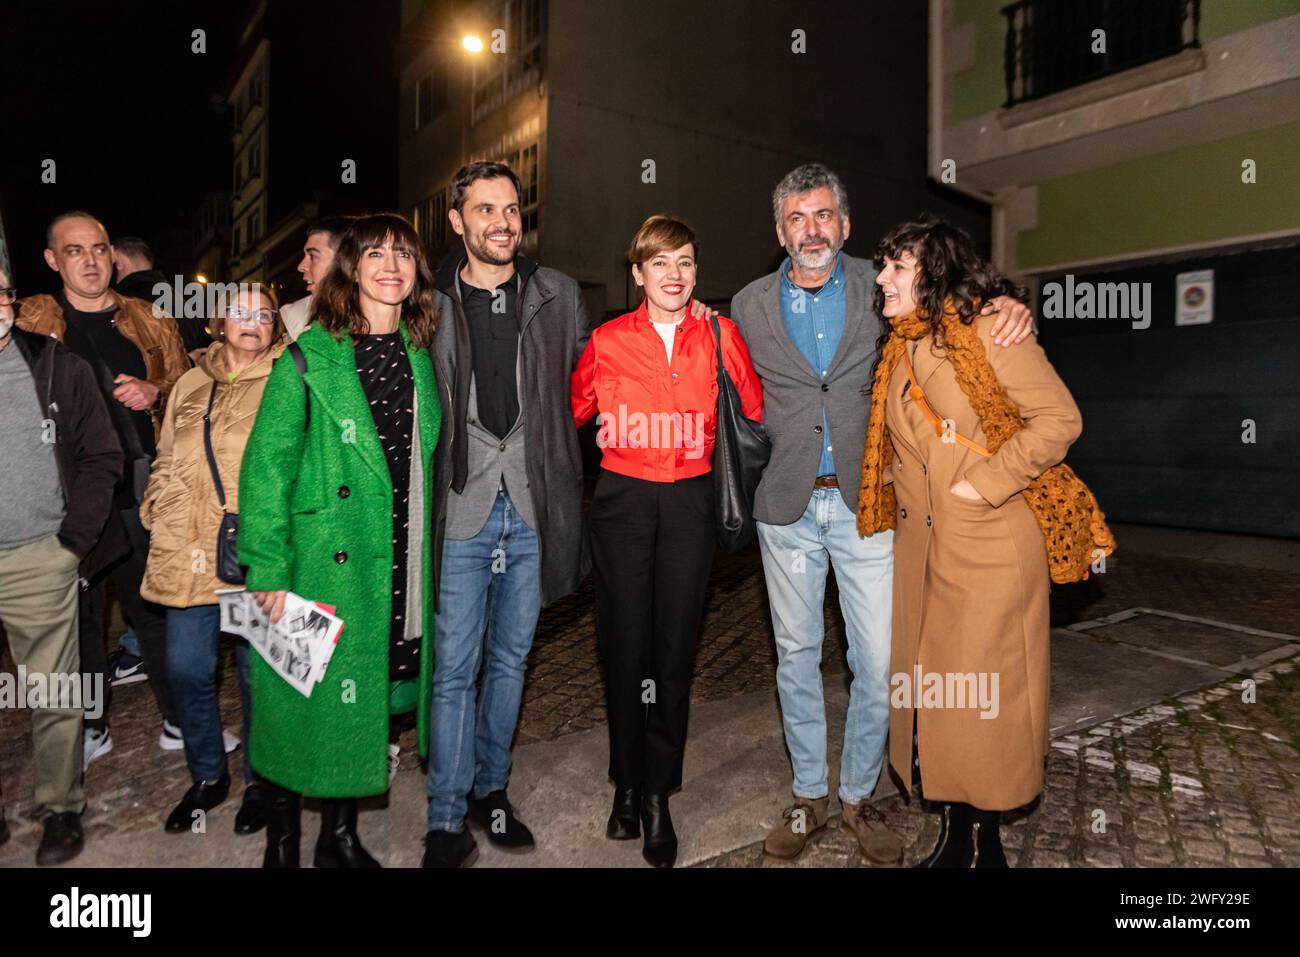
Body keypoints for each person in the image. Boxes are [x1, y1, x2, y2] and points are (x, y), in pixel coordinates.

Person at [730, 164, 1035, 864]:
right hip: (786, 505)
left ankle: (858, 797)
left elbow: (962, 300)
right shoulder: (747, 305)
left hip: (869, 504)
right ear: (780, 231)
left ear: (846, 223)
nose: (812, 230)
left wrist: (1010, 305)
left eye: (824, 215)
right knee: (797, 655)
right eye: (798, 218)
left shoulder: (884, 284)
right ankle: (809, 795)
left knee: (879, 659)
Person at [856, 214, 1083, 867]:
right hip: (924, 552)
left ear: (937, 272)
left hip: (989, 543)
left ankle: (986, 844)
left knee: (986, 696)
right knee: (938, 696)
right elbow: (906, 448)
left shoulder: (991, 329)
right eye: (883, 264)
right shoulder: (901, 345)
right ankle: (955, 834)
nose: (882, 277)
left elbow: (1059, 420)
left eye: (897, 265)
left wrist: (985, 484)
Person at [239, 213, 442, 868]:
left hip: (392, 560)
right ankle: (281, 840)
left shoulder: (418, 358)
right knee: (293, 702)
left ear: (416, 275)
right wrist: (265, 567)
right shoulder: (305, 356)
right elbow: (265, 472)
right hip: (316, 563)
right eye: (375, 253)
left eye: (404, 254)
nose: (391, 264)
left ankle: (339, 836)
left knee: (358, 700)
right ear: (350, 269)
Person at [572, 214, 763, 868]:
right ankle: (626, 779)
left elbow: (753, 409)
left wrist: (723, 345)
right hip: (622, 502)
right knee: (623, 648)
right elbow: (570, 413)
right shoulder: (605, 340)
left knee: (674, 650)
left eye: (685, 262)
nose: (675, 275)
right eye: (661, 263)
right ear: (637, 273)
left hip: (690, 500)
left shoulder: (719, 332)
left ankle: (657, 793)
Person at [422, 162, 594, 868]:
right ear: (457, 221)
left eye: (512, 209)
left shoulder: (558, 294)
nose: (502, 221)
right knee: (454, 667)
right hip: (460, 506)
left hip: (531, 503)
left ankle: (492, 790)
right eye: (485, 209)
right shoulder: (426, 301)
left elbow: (589, 381)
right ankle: (443, 816)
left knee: (512, 660)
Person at [16, 210, 191, 766]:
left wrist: (155, 389)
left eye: (98, 248)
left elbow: (187, 387)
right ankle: (92, 726)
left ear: (112, 254)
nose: (90, 260)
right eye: (74, 251)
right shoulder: (32, 320)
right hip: (71, 494)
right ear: (51, 260)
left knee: (156, 609)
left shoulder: (149, 318)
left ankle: (180, 720)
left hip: (143, 488)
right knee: (81, 617)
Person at [140, 285, 288, 837]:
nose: (251, 323)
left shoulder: (286, 380)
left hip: (253, 549)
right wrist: (156, 505)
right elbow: (167, 452)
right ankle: (207, 775)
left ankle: (258, 781)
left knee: (256, 675)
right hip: (187, 549)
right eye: (239, 312)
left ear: (275, 324)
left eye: (263, 314)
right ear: (219, 321)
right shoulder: (189, 381)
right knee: (186, 669)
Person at [0, 263, 123, 865]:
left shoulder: (58, 367)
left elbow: (104, 456)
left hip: (37, 558)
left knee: (52, 693)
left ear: (12, 301)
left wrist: (70, 545)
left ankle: (61, 808)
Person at [279, 216, 355, 341]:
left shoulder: (388, 325)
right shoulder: (290, 322)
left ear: (346, 261)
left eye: (313, 256)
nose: (301, 266)